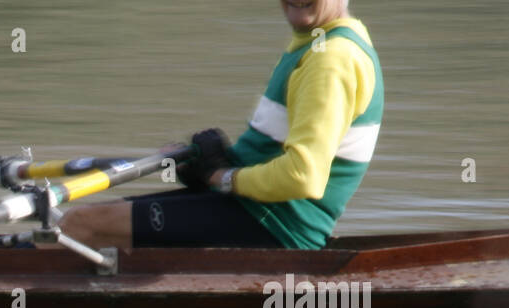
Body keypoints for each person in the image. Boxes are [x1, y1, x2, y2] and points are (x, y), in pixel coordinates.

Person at [62, 0, 382, 251]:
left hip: (277, 227)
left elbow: (302, 177)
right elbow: (274, 152)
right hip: (256, 211)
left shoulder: (330, 59)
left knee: (81, 225)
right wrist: (208, 168)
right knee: (87, 224)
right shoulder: (319, 43)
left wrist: (221, 177)